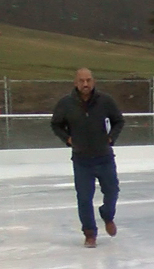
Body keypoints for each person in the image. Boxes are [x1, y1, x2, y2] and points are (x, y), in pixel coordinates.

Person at [51, 68, 125, 248]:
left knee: (112, 191)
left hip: (104, 157)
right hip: (81, 160)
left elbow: (119, 121)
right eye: (82, 81)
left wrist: (110, 138)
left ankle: (107, 215)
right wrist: (68, 139)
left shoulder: (105, 101)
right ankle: (90, 233)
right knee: (84, 198)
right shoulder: (66, 104)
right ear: (75, 83)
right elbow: (55, 124)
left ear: (94, 82)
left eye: (88, 80)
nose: (85, 84)